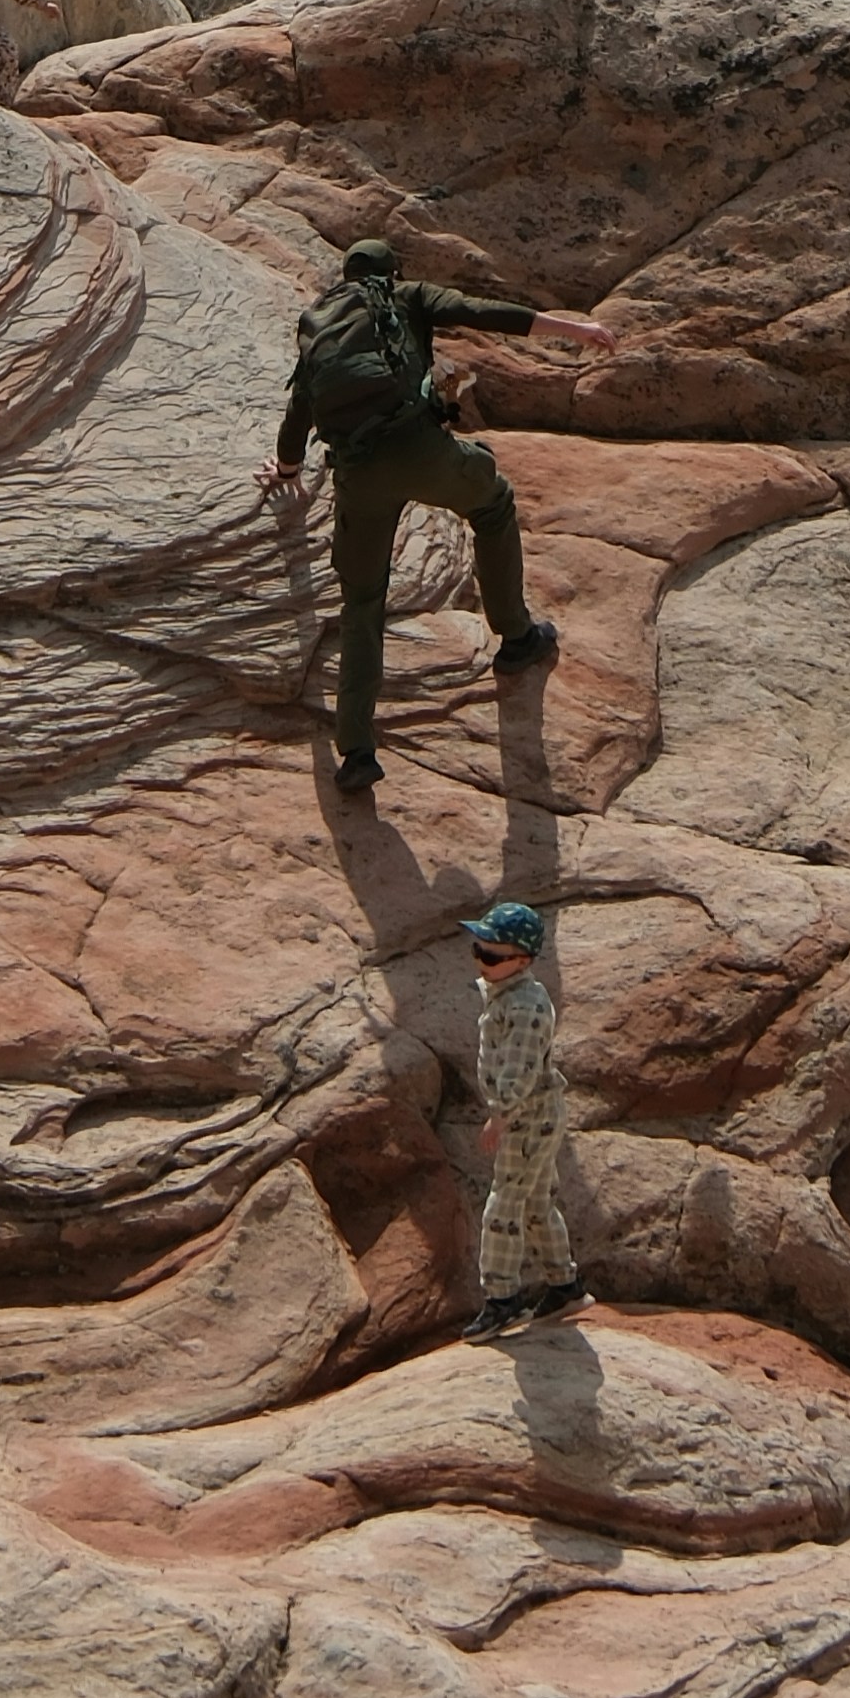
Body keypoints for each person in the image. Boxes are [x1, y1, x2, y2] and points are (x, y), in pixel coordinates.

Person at [265, 232, 559, 792]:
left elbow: (298, 413)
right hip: (421, 451)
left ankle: (356, 753)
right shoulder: (405, 298)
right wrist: (570, 329)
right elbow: (479, 311)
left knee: (362, 601)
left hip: (358, 475)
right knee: (493, 504)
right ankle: (516, 637)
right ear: (391, 272)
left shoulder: (322, 327)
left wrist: (285, 472)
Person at [441, 891, 582, 1337]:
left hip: (526, 1117)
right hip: (537, 1114)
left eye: (491, 954)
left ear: (521, 961)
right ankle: (566, 1286)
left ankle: (502, 1299)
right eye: (478, 949)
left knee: (503, 1207)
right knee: (537, 1203)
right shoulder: (510, 993)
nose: (480, 959)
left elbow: (520, 1068)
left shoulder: (524, 1007)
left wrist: (500, 1114)